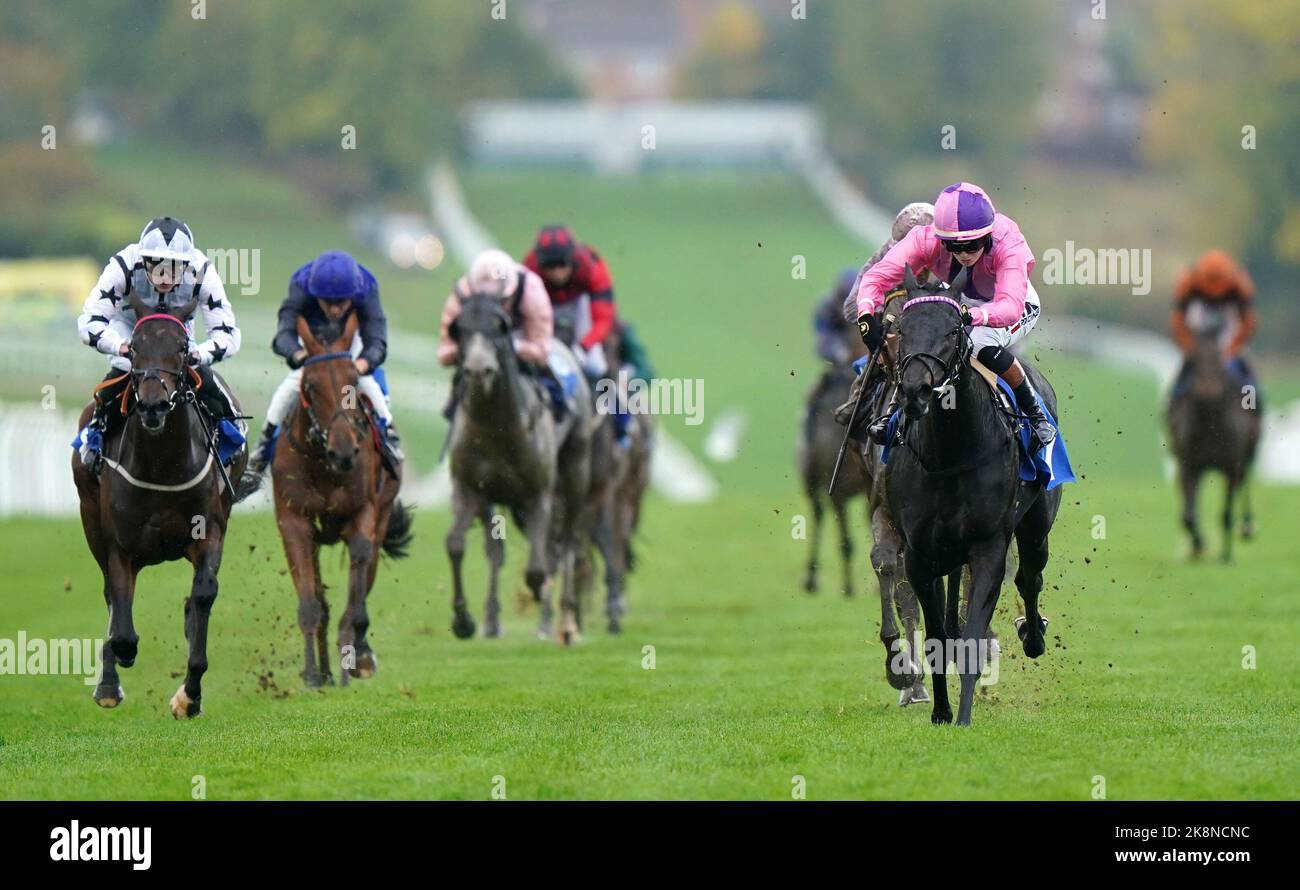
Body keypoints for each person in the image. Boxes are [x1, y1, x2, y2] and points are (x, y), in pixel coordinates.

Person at [855, 182, 1056, 446]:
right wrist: (866, 318)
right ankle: (895, 411)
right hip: (960, 299)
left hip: (1012, 303)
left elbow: (1009, 307)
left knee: (978, 343)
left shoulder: (1009, 245)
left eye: (972, 246)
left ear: (988, 236)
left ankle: (1035, 414)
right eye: (953, 246)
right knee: (921, 337)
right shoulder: (925, 239)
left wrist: (972, 316)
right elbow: (876, 278)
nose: (963, 254)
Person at [75, 216, 243, 473]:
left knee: (194, 372)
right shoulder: (123, 265)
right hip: (130, 328)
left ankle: (231, 427)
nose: (166, 276)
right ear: (143, 261)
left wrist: (199, 354)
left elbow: (228, 335)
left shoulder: (203, 272)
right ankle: (96, 432)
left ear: (187, 264)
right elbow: (88, 323)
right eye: (158, 265)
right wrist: (121, 346)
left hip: (175, 330)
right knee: (124, 367)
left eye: (175, 267)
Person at [244, 250, 401, 478]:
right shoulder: (300, 285)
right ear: (315, 294)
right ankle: (264, 445)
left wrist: (359, 367)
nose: (336, 309)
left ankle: (388, 433)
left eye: (342, 302)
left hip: (351, 346)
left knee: (364, 384)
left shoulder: (366, 288)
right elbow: (283, 335)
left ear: (353, 294)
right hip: (313, 346)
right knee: (291, 386)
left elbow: (376, 339)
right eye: (328, 302)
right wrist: (300, 357)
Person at [437, 247, 571, 420]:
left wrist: (513, 346)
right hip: (481, 343)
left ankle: (561, 413)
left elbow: (542, 349)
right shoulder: (464, 291)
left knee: (553, 388)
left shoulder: (531, 291)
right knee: (457, 396)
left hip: (520, 338)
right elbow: (446, 349)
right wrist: (467, 349)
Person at [1171, 249, 1259, 394]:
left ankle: (1251, 404)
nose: (1214, 287)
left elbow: (1248, 322)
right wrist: (1189, 348)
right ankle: (1174, 399)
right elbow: (1178, 320)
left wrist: (1232, 348)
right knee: (1187, 365)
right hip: (1199, 317)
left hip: (1230, 317)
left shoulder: (1240, 283)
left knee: (1243, 365)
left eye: (1218, 280)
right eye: (1210, 280)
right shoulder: (1188, 281)